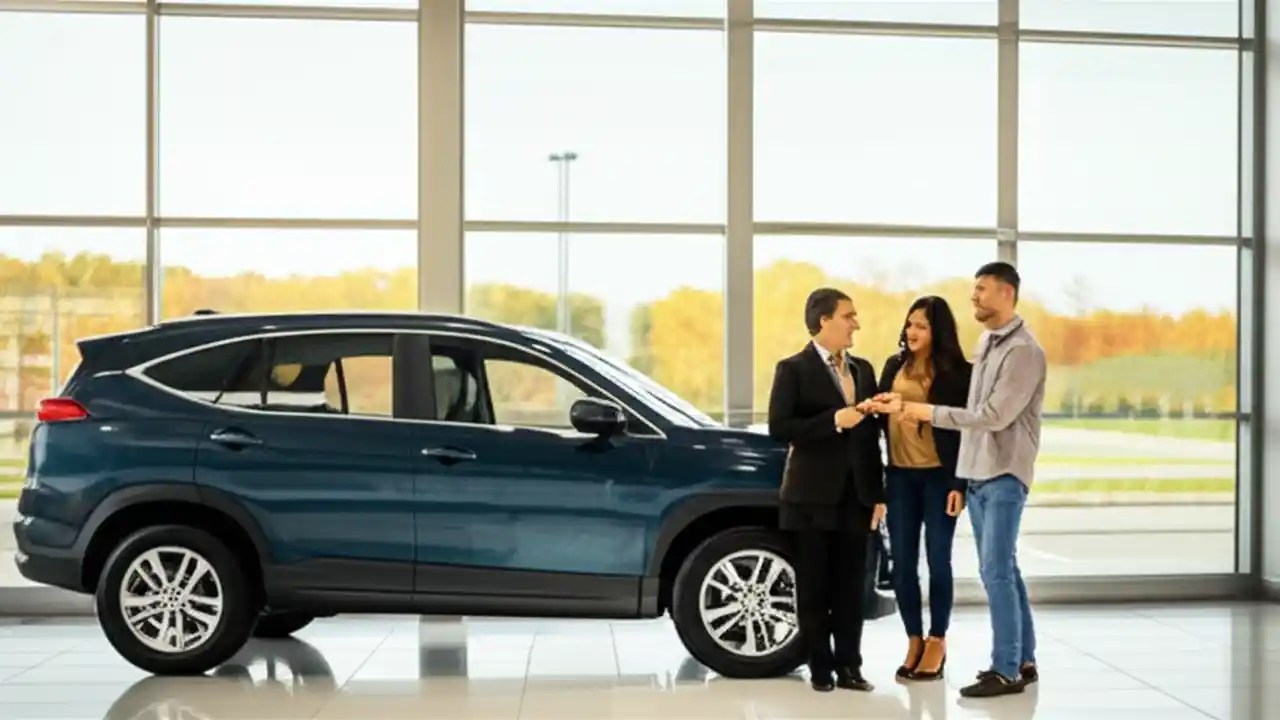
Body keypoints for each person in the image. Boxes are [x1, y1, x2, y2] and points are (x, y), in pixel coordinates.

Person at [873, 262, 1046, 698]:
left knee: (995, 572)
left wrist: (925, 413)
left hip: (1005, 472)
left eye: (982, 289)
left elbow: (992, 416)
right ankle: (1024, 660)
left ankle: (1005, 669)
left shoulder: (1023, 351)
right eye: (974, 289)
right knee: (1006, 569)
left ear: (1006, 294)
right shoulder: (988, 342)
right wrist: (965, 480)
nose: (974, 296)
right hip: (979, 475)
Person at [767, 287, 887, 693]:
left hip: (857, 496)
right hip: (810, 497)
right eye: (849, 316)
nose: (857, 323)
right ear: (825, 321)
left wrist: (879, 495)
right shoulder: (793, 369)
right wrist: (834, 419)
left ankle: (850, 667)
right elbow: (779, 428)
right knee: (815, 586)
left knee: (852, 588)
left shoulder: (864, 370)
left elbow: (871, 439)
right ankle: (820, 667)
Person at [874, 296, 972, 682]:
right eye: (910, 324)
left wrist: (958, 484)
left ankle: (937, 640)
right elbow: (879, 421)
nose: (912, 332)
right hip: (899, 477)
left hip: (938, 478)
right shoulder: (893, 365)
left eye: (922, 326)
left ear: (938, 332)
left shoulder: (957, 372)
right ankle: (913, 637)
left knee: (938, 560)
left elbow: (964, 429)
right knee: (901, 565)